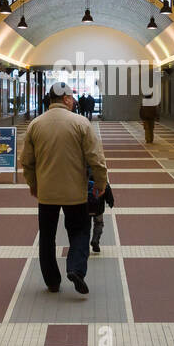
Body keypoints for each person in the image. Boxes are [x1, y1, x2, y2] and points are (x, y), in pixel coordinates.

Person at [20, 85, 108, 294]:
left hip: (46, 193)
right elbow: (95, 158)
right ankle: (76, 268)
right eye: (72, 97)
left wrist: (33, 185)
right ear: (66, 99)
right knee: (79, 231)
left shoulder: (35, 125)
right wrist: (101, 183)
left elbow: (27, 162)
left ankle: (52, 281)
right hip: (75, 193)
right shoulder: (81, 123)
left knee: (47, 236)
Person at [86, 165, 114, 254]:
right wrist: (110, 202)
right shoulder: (100, 178)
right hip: (98, 208)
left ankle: (84, 246)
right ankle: (95, 240)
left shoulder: (83, 177)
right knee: (99, 223)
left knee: (85, 226)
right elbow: (107, 189)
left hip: (85, 207)